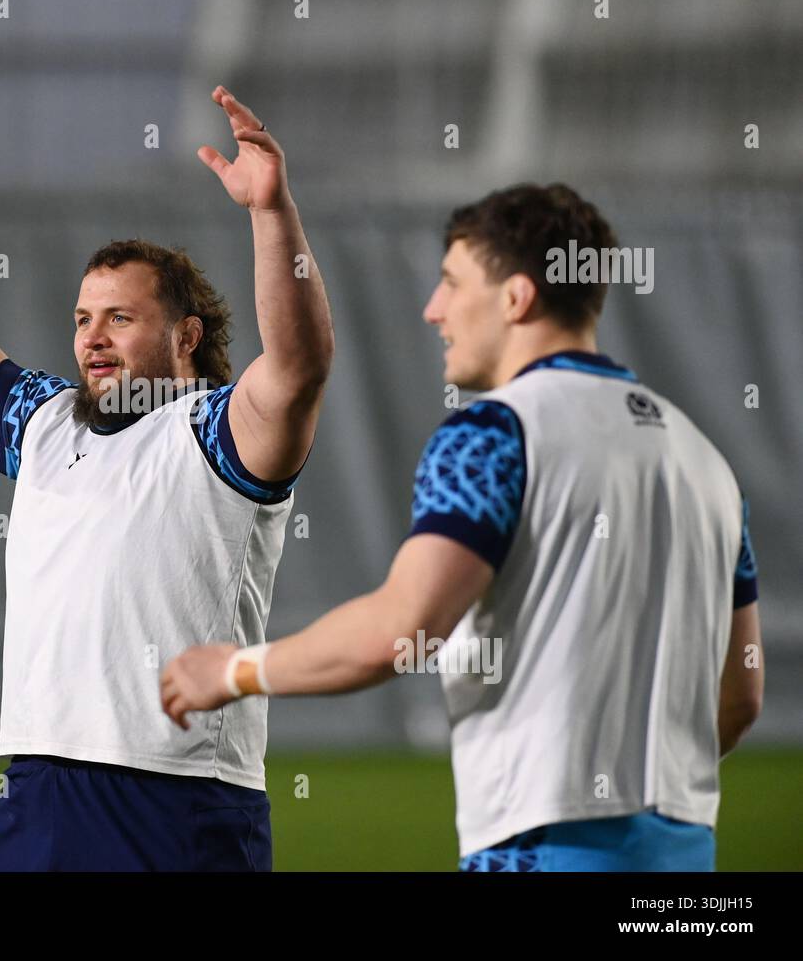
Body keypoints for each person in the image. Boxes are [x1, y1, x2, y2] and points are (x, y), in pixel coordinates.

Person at [0, 58, 334, 870]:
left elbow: (298, 366)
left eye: (121, 316)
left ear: (186, 336)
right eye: (83, 317)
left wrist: (271, 212)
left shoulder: (218, 434)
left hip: (180, 802)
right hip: (37, 794)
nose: (93, 336)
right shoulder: (45, 423)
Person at [161, 183, 763, 872]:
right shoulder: (706, 460)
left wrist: (235, 668)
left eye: (451, 282)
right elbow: (741, 695)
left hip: (539, 851)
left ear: (516, 298)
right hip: (685, 861)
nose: (433, 308)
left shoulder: (492, 432)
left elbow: (403, 629)